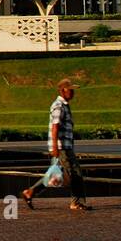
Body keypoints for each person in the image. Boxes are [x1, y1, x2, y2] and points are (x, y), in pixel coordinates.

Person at [22, 79, 91, 211]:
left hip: (64, 146)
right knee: (75, 173)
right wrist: (54, 147)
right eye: (70, 89)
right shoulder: (59, 105)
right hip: (61, 147)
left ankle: (30, 192)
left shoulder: (64, 105)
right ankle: (76, 202)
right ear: (62, 90)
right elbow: (55, 127)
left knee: (55, 175)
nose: (73, 92)